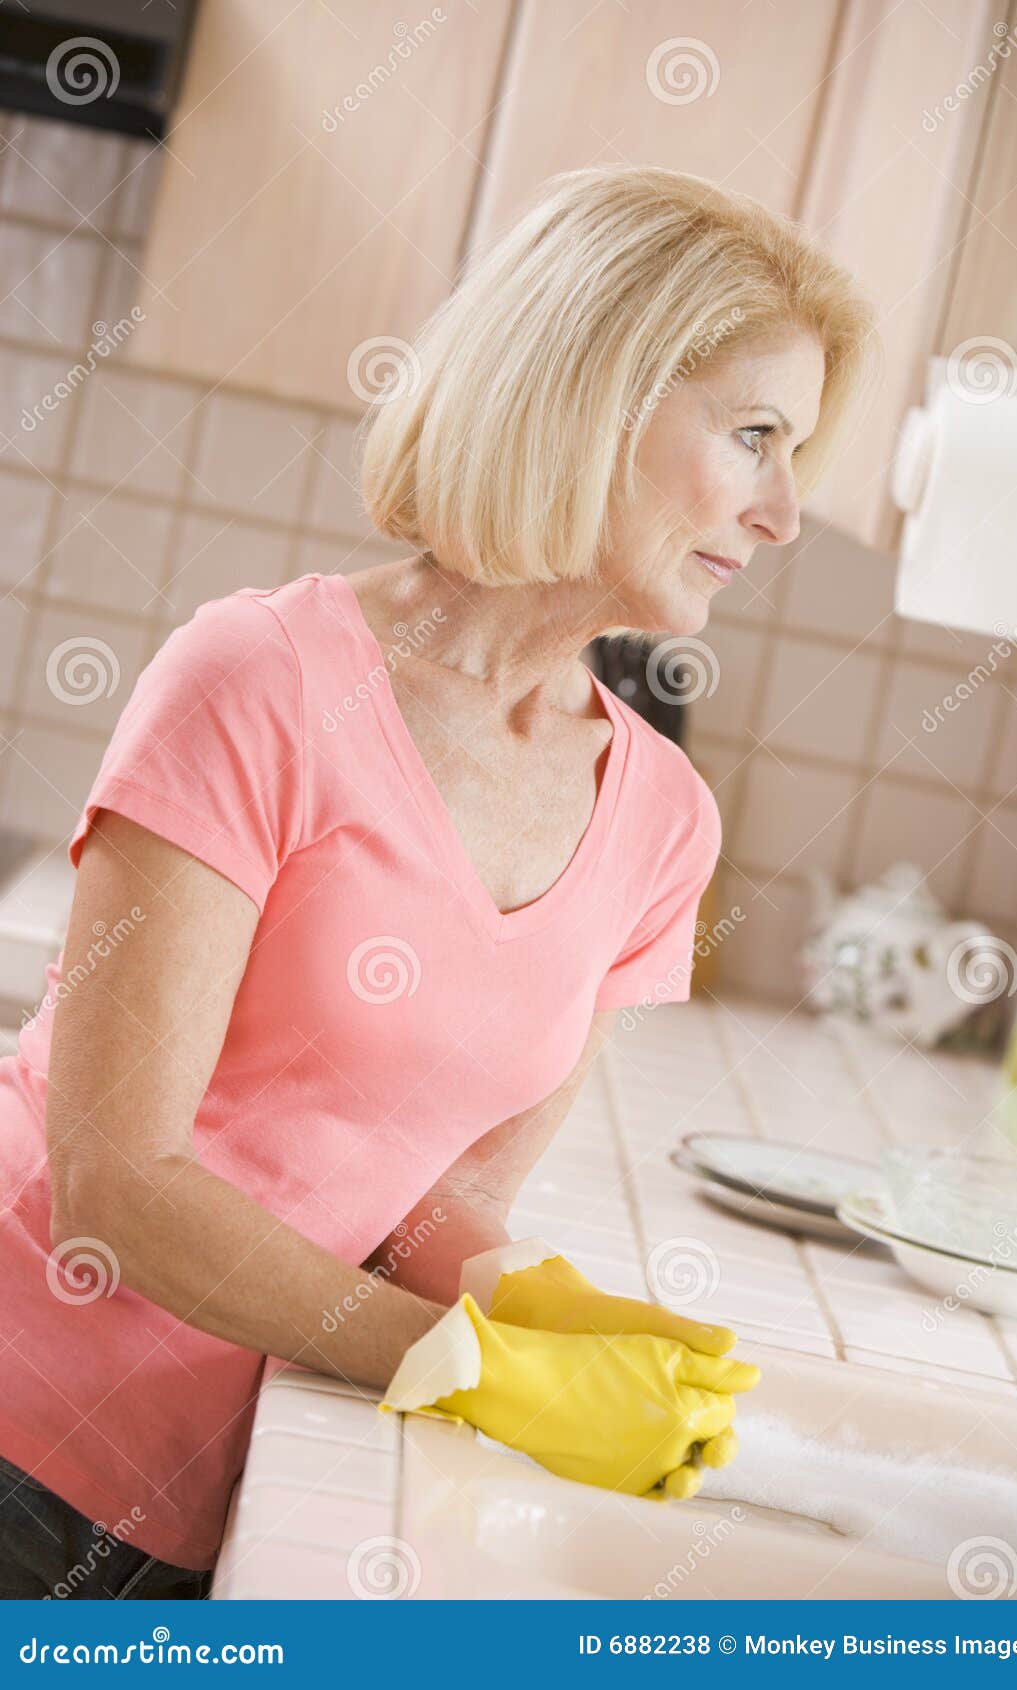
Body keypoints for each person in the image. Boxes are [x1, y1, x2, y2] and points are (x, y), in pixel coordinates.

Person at [0, 164, 877, 1597]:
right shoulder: (261, 682)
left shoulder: (661, 821)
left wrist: (541, 1307)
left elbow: (421, 1206)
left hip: (207, 1499)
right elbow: (115, 1184)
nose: (783, 513)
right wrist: (467, 1368)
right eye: (754, 437)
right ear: (595, 393)